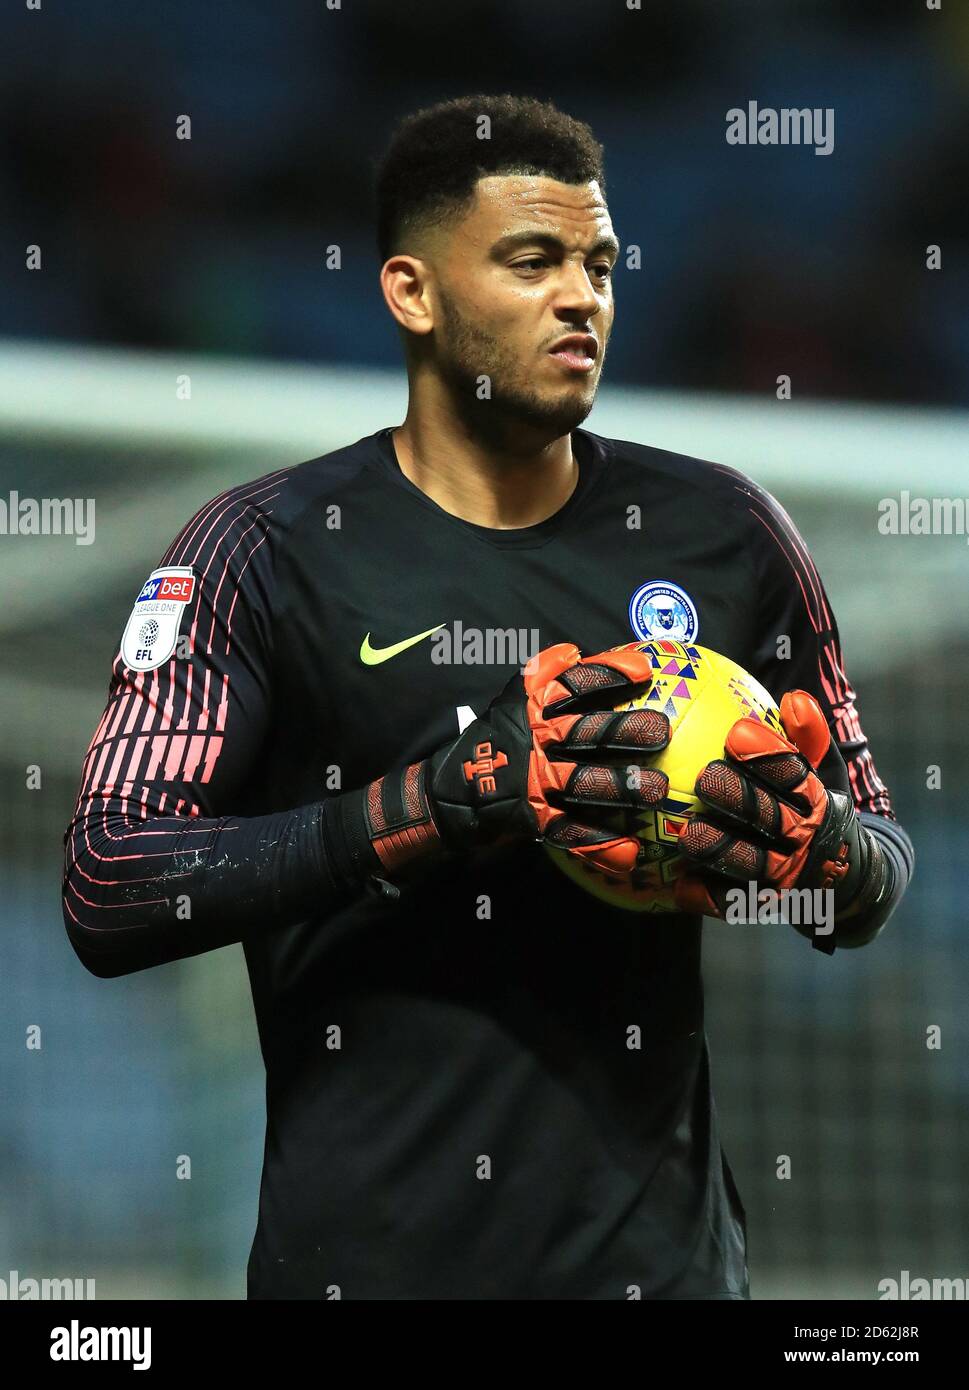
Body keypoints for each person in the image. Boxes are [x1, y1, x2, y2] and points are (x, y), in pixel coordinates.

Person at [62, 94, 914, 1300]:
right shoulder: (264, 550)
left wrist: (821, 850)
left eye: (601, 264)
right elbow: (109, 880)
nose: (584, 297)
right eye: (534, 260)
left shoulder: (726, 535)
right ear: (411, 291)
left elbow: (876, 861)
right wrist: (438, 804)